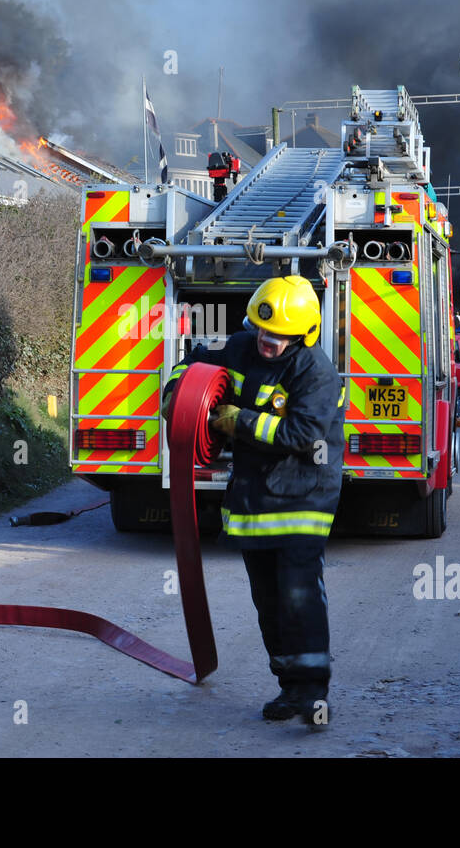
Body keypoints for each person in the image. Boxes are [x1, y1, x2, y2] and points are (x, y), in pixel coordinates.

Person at [161, 275, 343, 725]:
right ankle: (288, 688)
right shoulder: (242, 346)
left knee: (299, 596)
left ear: (302, 335)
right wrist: (177, 392)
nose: (267, 340)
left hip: (303, 497)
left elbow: (302, 434)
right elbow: (195, 362)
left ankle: (313, 694)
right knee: (267, 599)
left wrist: (237, 421)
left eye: (278, 335)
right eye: (262, 330)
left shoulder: (315, 372)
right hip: (253, 497)